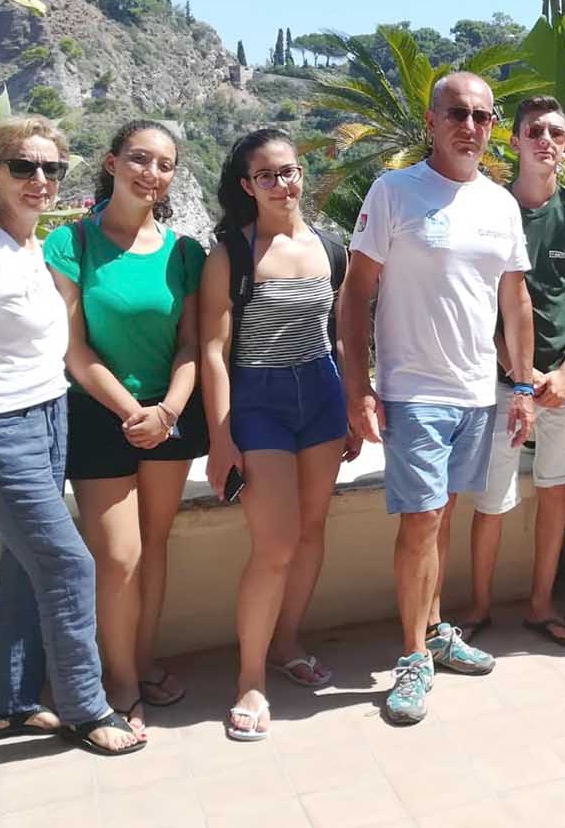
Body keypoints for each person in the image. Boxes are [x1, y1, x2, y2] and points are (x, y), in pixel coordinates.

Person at [0, 115, 142, 756]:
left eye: (52, 168)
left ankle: (11, 705)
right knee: (69, 564)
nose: (39, 179)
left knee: (27, 566)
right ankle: (85, 708)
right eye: (23, 166)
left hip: (50, 418)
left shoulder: (30, 246)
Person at [344, 73, 535, 726]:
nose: (470, 126)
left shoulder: (501, 204)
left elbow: (514, 301)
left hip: (477, 389)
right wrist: (357, 387)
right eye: (457, 112)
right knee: (422, 520)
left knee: (444, 515)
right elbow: (355, 293)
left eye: (483, 116)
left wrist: (525, 382)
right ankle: (411, 656)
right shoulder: (395, 191)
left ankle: (432, 628)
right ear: (431, 120)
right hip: (413, 388)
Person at [44, 120, 207, 737]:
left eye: (164, 164)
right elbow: (73, 349)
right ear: (112, 163)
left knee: (155, 547)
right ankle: (120, 682)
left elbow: (192, 343)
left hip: (169, 415)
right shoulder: (71, 243)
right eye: (140, 159)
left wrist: (166, 412)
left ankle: (142, 660)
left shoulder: (184, 252)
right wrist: (130, 412)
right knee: (118, 556)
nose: (152, 173)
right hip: (98, 413)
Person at [201, 128, 358, 741]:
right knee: (274, 546)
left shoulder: (331, 249)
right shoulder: (231, 254)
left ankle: (288, 643)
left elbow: (341, 335)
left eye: (289, 171)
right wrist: (221, 438)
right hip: (258, 400)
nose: (282, 184)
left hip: (319, 395)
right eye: (266, 175)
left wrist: (350, 405)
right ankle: (250, 679)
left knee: (313, 530)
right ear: (247, 186)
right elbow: (213, 350)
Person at [454, 96, 565, 648]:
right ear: (513, 140)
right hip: (498, 382)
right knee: (492, 499)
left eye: (557, 132)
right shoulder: (488, 211)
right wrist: (521, 372)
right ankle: (477, 607)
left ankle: (542, 605)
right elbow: (478, 303)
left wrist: (564, 373)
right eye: (534, 130)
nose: (546, 140)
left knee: (554, 494)